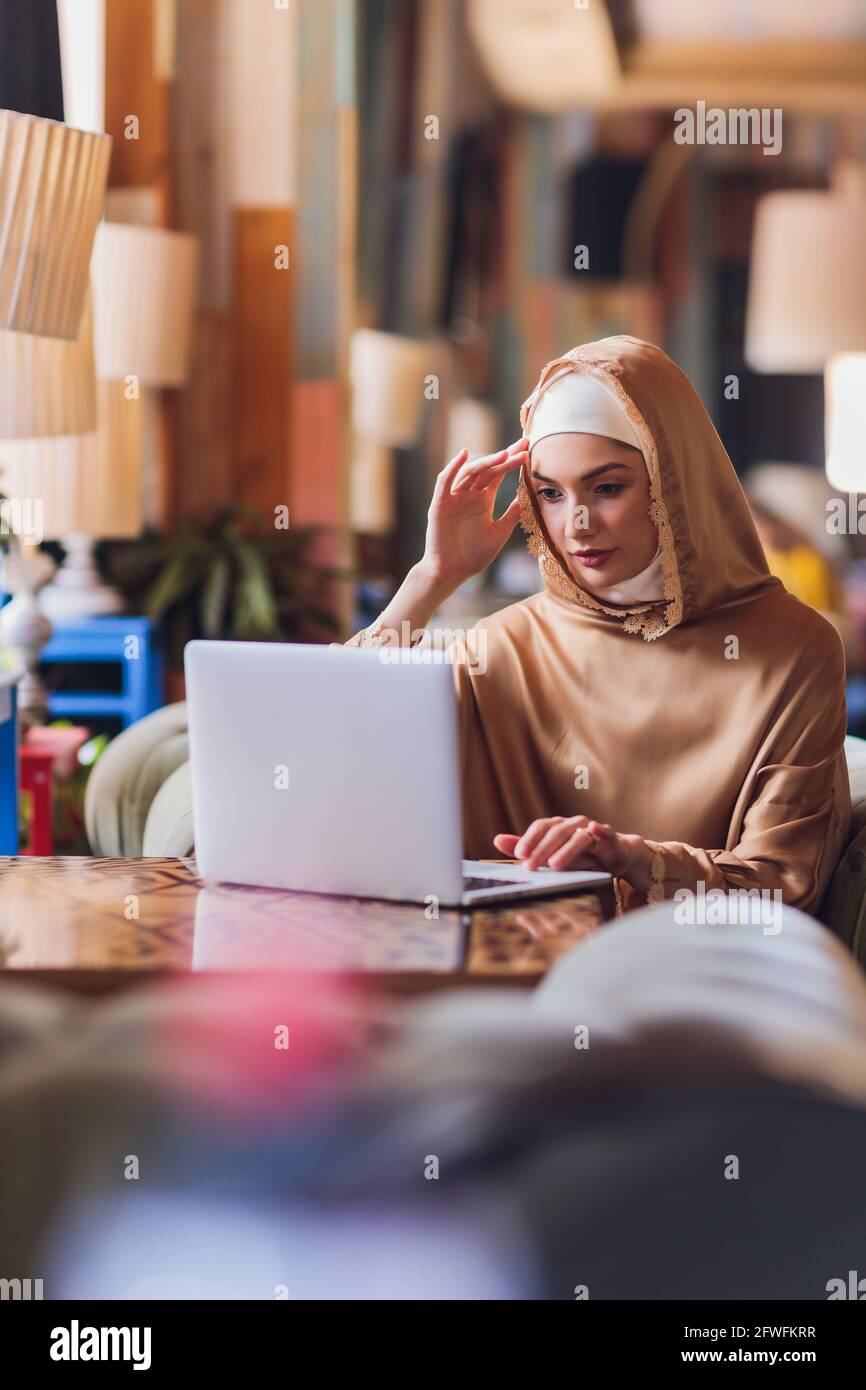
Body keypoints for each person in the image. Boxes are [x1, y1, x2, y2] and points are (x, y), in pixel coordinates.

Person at [345, 336, 851, 916]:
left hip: (687, 972)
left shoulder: (795, 646)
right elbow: (342, 753)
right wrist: (433, 576)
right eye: (550, 495)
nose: (577, 524)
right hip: (494, 963)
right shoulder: (504, 644)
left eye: (607, 487)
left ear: (673, 481)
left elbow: (778, 885)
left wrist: (630, 858)